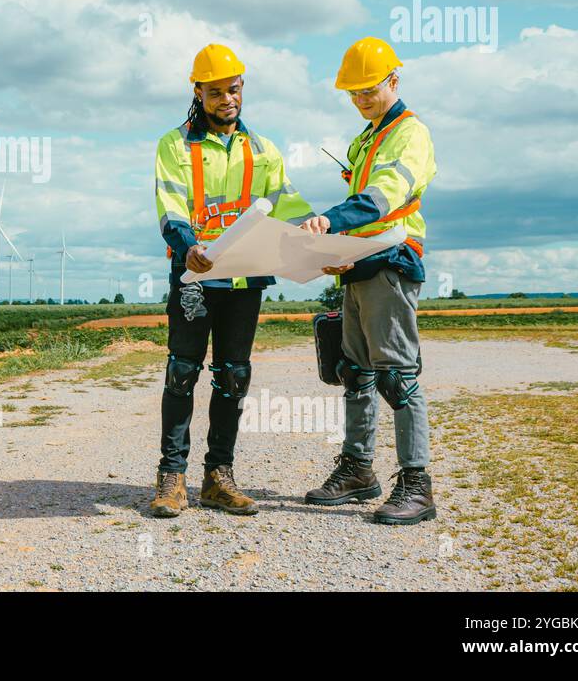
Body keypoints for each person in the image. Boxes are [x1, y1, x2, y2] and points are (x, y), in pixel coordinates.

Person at [150, 43, 315, 518]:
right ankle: (171, 478)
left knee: (233, 377)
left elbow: (288, 204)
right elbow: (172, 207)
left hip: (246, 280)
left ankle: (218, 477)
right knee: (182, 371)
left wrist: (321, 236)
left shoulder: (263, 149)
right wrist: (189, 248)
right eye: (216, 91)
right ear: (198, 92)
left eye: (234, 89)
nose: (227, 99)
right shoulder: (175, 145)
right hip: (196, 275)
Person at [300, 37, 438, 525]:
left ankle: (417, 485)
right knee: (355, 373)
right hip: (358, 264)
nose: (360, 99)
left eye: (368, 90)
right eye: (353, 93)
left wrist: (330, 221)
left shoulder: (409, 133)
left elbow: (383, 197)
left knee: (396, 376)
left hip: (391, 264)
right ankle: (358, 469)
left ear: (394, 80)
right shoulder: (368, 135)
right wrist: (336, 251)